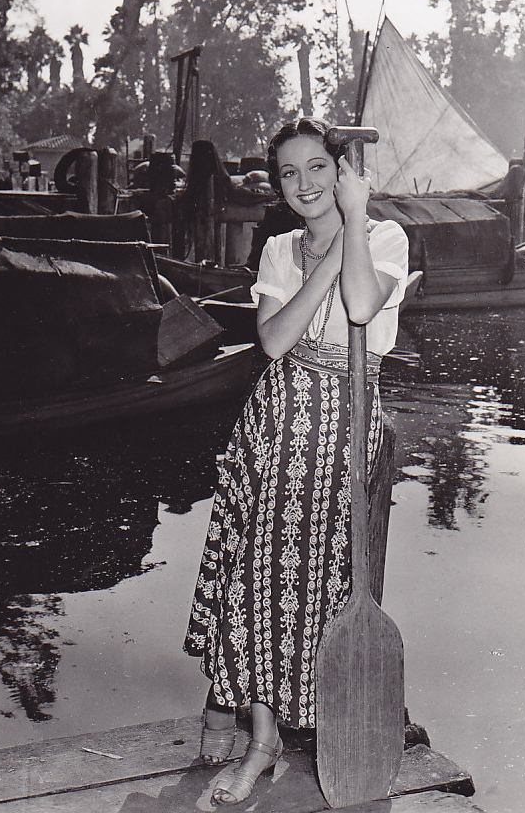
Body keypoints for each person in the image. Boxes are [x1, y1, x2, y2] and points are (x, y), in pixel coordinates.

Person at [183, 117, 409, 805]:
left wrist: (354, 226)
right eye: (289, 172)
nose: (304, 183)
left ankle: (316, 714)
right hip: (278, 420)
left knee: (327, 581)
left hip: (347, 423)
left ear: (342, 174)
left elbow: (362, 306)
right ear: (278, 184)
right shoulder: (281, 249)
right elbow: (277, 341)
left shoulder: (386, 237)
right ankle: (262, 741)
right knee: (259, 579)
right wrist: (330, 260)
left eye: (318, 167)